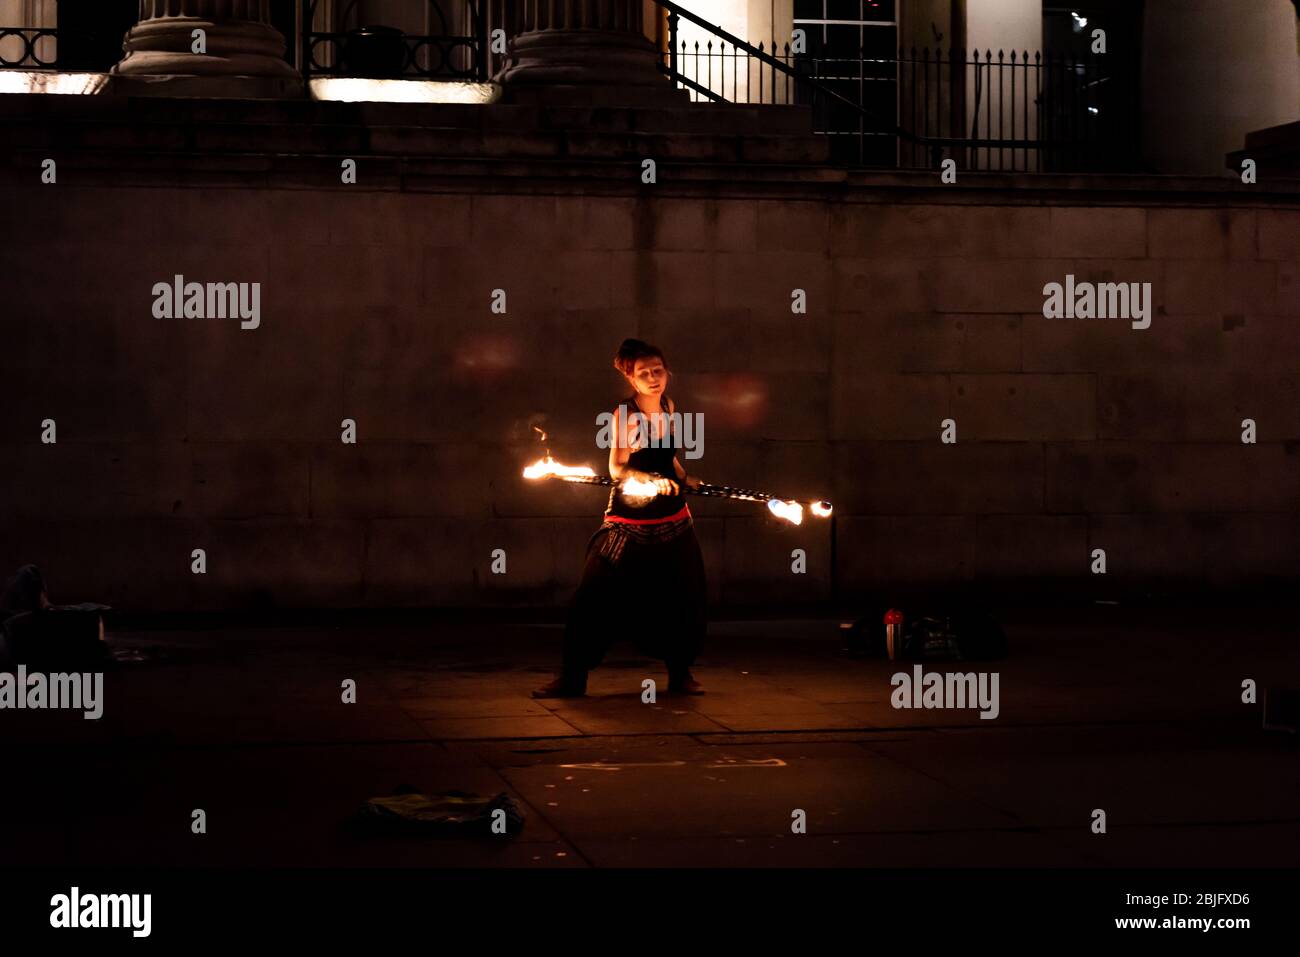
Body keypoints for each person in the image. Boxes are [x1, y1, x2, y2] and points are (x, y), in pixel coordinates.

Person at [533, 339, 708, 698]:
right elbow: (616, 468)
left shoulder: (669, 406)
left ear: (667, 371)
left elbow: (668, 457)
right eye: (643, 373)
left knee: (681, 594)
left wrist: (683, 476)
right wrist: (645, 480)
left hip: (674, 520)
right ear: (631, 378)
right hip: (629, 522)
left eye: (658, 370)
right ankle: (573, 676)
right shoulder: (625, 415)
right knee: (595, 595)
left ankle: (680, 673)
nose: (653, 378)